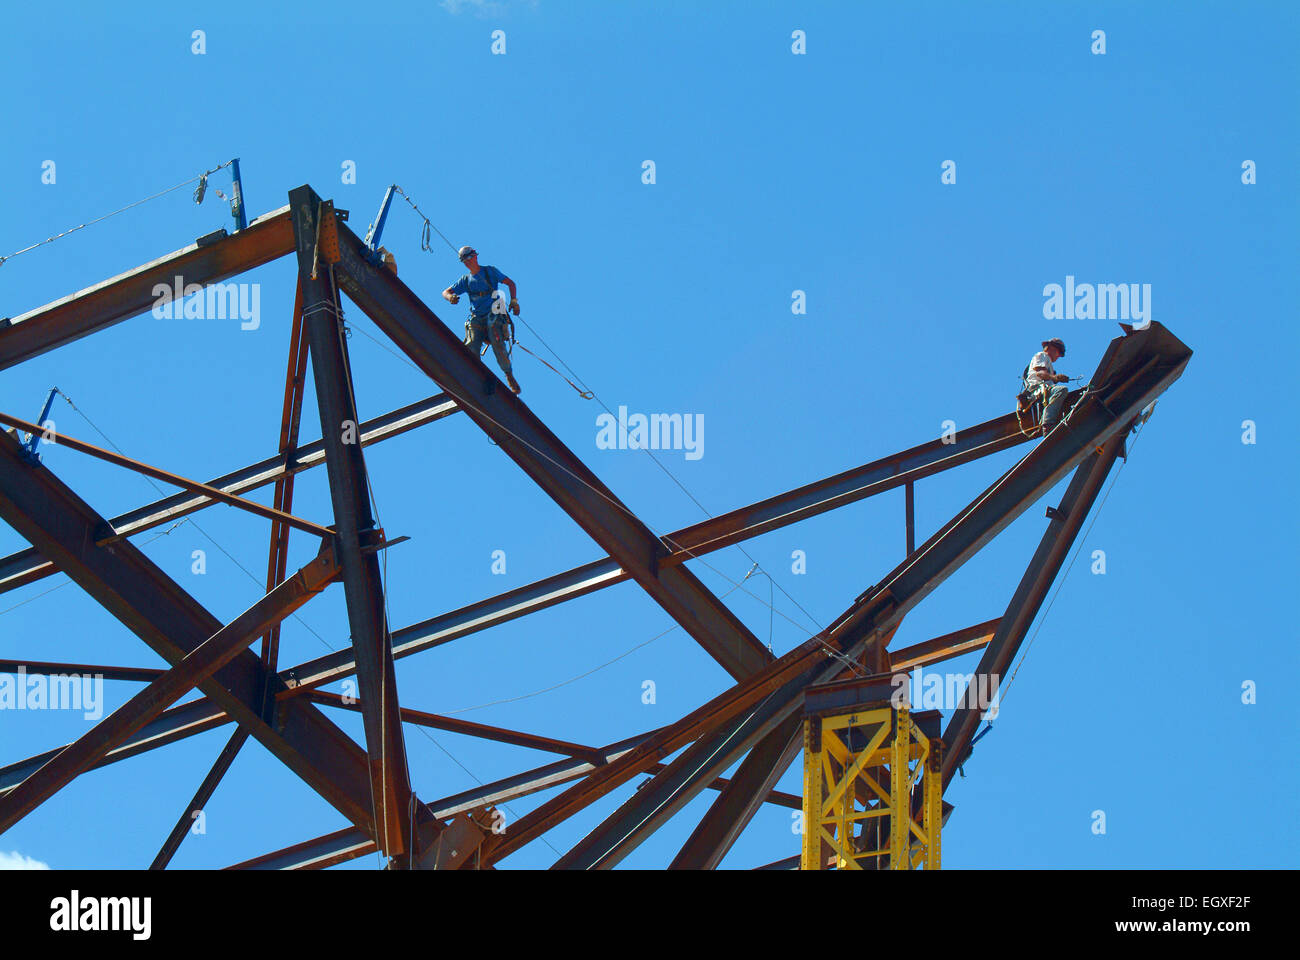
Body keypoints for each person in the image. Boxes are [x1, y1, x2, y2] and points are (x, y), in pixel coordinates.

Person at [442, 246, 522, 394]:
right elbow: (445, 292)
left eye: (469, 258)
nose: (468, 262)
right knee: (471, 345)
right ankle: (475, 374)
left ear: (475, 257)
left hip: (494, 315)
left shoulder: (489, 272)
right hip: (477, 317)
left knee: (496, 340)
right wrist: (450, 297)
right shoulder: (466, 280)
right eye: (464, 260)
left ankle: (509, 374)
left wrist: (514, 301)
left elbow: (510, 283)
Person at [1023, 337, 1071, 433]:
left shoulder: (1048, 362)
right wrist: (1055, 378)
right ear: (1051, 348)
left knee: (1061, 393)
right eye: (1058, 353)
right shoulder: (1042, 355)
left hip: (1044, 391)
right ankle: (1048, 423)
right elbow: (1040, 374)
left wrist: (1055, 378)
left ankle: (1050, 420)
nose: (1058, 357)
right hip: (1037, 391)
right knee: (1061, 390)